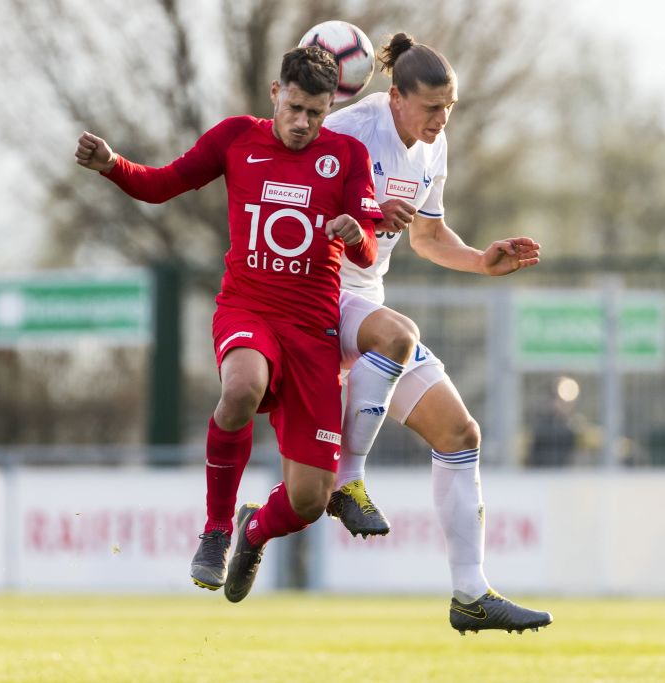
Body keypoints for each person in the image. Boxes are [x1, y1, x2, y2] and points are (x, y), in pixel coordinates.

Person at [74, 47, 382, 603]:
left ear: (328, 108)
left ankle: (253, 527)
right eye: (294, 108)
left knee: (310, 500)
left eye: (314, 113)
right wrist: (112, 166)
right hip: (248, 310)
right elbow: (163, 183)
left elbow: (367, 248)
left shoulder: (348, 155)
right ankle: (215, 530)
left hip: (313, 332)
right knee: (241, 386)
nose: (302, 123)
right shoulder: (237, 138)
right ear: (275, 93)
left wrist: (356, 233)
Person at [321, 33, 552, 634]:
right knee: (398, 333)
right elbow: (301, 213)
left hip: (366, 305)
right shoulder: (349, 130)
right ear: (394, 96)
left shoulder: (432, 147)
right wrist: (366, 216)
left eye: (448, 108)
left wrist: (481, 260)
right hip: (321, 299)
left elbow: (426, 236)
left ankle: (470, 594)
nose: (440, 119)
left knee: (459, 432)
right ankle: (348, 480)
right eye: (431, 107)